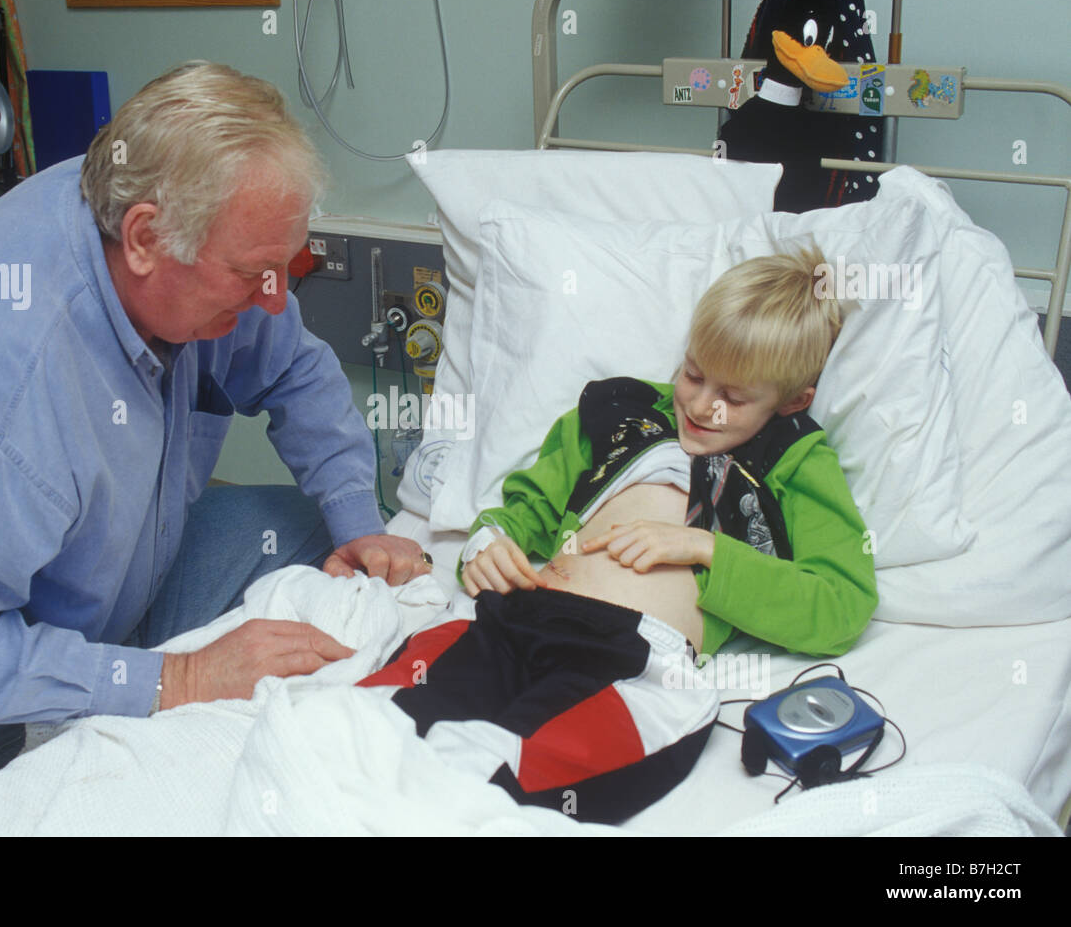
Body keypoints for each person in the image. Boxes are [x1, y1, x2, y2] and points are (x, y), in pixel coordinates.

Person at [0, 61, 430, 835]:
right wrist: (180, 678)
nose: (276, 300)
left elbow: (295, 370)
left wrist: (359, 520)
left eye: (285, 269)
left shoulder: (167, 205)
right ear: (143, 240)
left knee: (313, 528)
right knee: (24, 803)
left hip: (119, 567)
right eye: (253, 275)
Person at [358, 247, 878, 825]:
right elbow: (529, 506)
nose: (701, 405)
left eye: (733, 399)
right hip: (515, 614)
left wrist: (705, 547)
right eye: (693, 374)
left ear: (793, 401)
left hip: (627, 657)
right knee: (368, 725)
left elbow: (841, 604)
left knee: (500, 778)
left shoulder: (794, 461)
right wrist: (487, 544)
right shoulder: (617, 414)